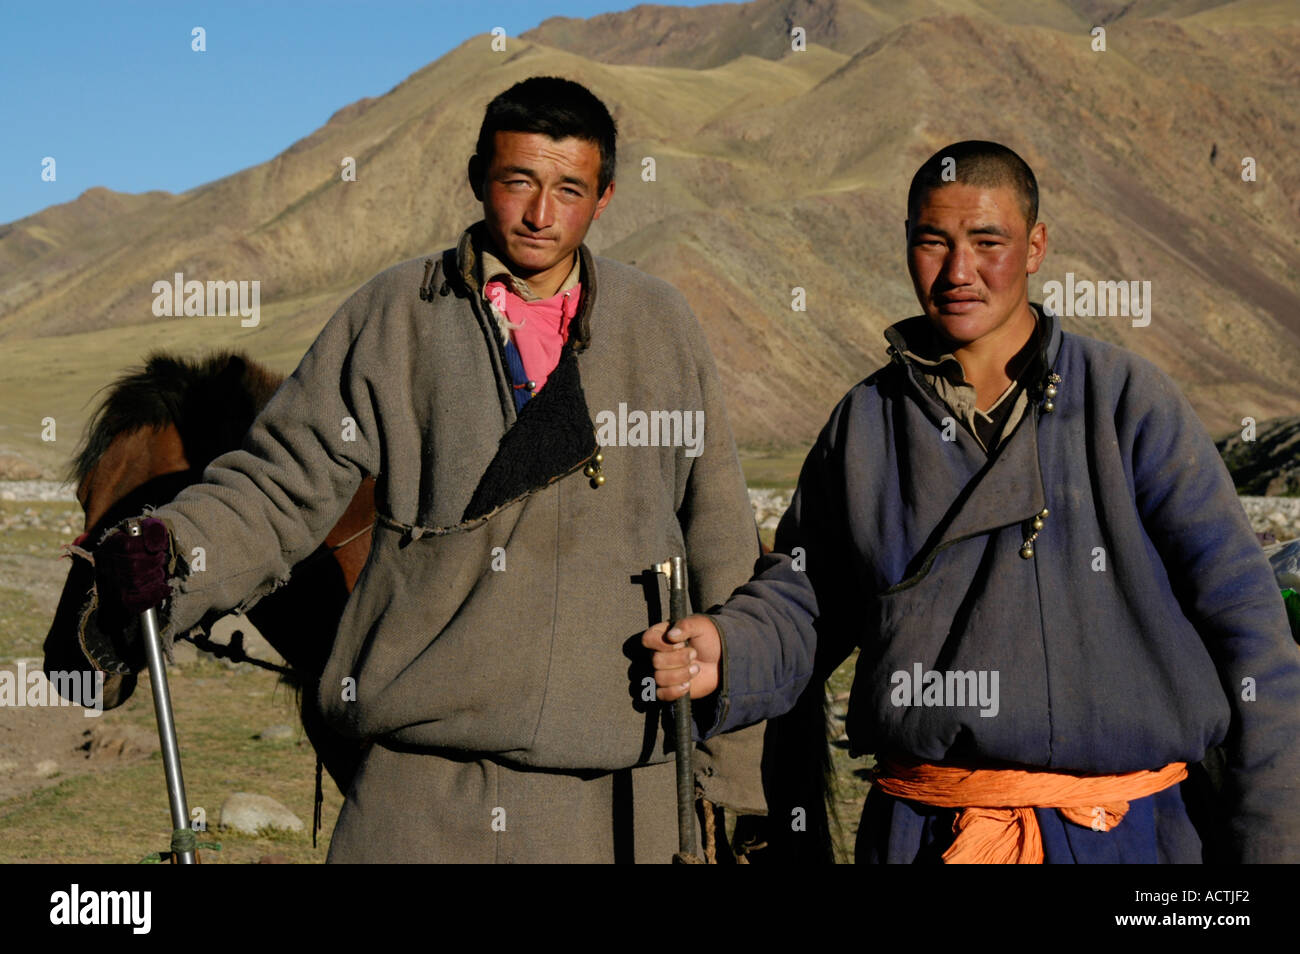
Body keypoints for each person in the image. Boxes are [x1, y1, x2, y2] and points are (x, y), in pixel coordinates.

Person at [82, 76, 768, 862]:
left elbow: (720, 541)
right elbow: (281, 483)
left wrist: (736, 787)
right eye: (519, 182)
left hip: (619, 797)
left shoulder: (659, 327)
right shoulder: (395, 316)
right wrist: (176, 550)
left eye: (569, 189)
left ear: (605, 197)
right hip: (417, 800)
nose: (542, 214)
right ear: (479, 178)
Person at [645, 140, 1300, 864]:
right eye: (933, 242)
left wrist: (1269, 843)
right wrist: (726, 650)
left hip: (1126, 836)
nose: (959, 272)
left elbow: (1252, 636)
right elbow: (806, 599)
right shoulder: (866, 424)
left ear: (1035, 246)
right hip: (924, 836)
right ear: (905, 245)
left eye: (988, 242)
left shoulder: (1126, 403)